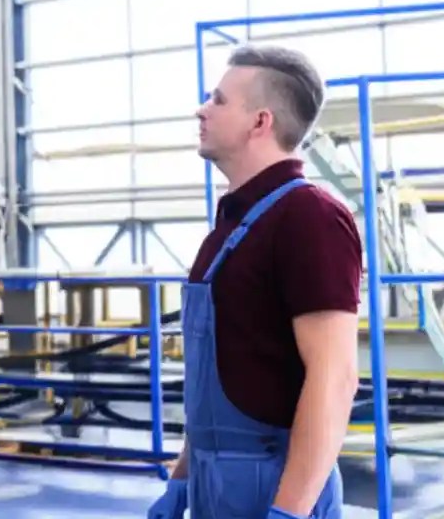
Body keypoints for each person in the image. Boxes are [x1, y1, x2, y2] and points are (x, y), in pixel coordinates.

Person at [147, 44, 362, 518]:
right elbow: (220, 379)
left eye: (218, 100)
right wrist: (182, 479)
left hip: (276, 485)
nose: (201, 109)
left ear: (260, 122)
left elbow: (335, 378)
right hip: (212, 483)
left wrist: (290, 511)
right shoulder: (230, 227)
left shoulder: (309, 218)